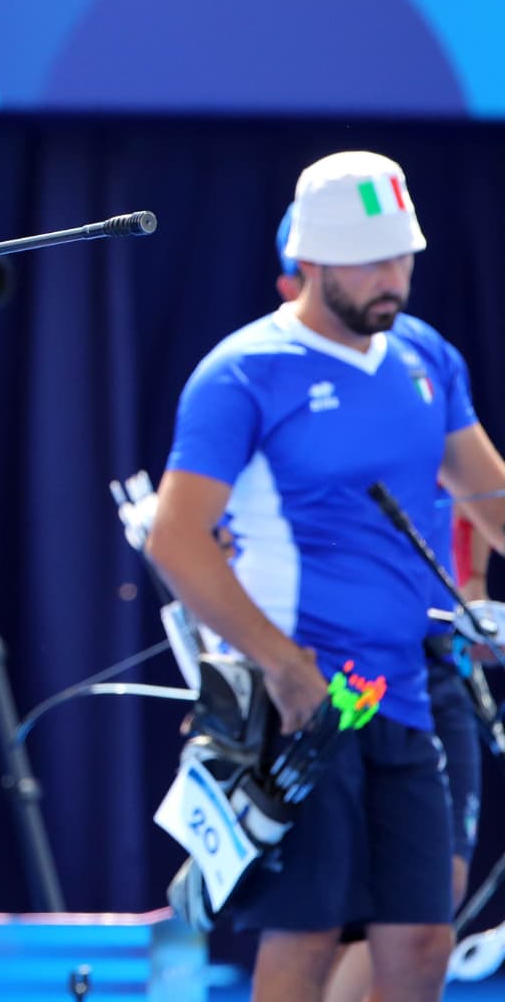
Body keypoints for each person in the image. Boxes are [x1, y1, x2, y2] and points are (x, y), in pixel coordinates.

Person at [148, 151, 505, 1001]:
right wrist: (282, 663)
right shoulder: (242, 374)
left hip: (406, 691)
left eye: (403, 256)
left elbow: (488, 492)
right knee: (304, 937)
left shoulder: (426, 358)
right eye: (371, 260)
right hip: (306, 698)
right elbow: (175, 538)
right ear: (307, 260)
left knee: (421, 936)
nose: (394, 278)